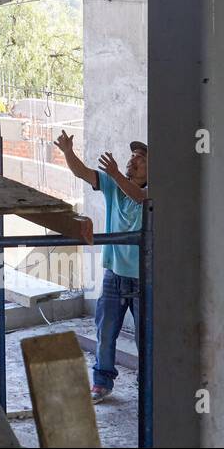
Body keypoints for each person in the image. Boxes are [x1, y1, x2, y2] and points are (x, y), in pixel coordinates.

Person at [53, 131, 148, 402]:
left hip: (145, 278)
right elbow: (82, 172)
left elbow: (140, 197)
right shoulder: (112, 183)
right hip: (114, 275)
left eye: (140, 160)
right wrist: (68, 152)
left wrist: (117, 174)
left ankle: (149, 381)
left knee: (147, 337)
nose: (133, 162)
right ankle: (102, 381)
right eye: (131, 157)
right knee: (105, 333)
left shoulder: (154, 192)